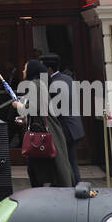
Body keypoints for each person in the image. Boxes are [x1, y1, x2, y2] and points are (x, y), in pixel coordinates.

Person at [22, 58, 72, 188]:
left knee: (39, 170)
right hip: (46, 130)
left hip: (41, 134)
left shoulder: (35, 84)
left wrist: (18, 105)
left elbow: (33, 108)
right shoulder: (40, 84)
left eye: (25, 68)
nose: (23, 71)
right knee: (46, 168)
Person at [42, 53, 83, 185]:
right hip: (75, 125)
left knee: (69, 162)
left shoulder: (54, 83)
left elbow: (55, 107)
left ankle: (77, 187)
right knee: (70, 161)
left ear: (49, 69)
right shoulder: (67, 78)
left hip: (67, 128)